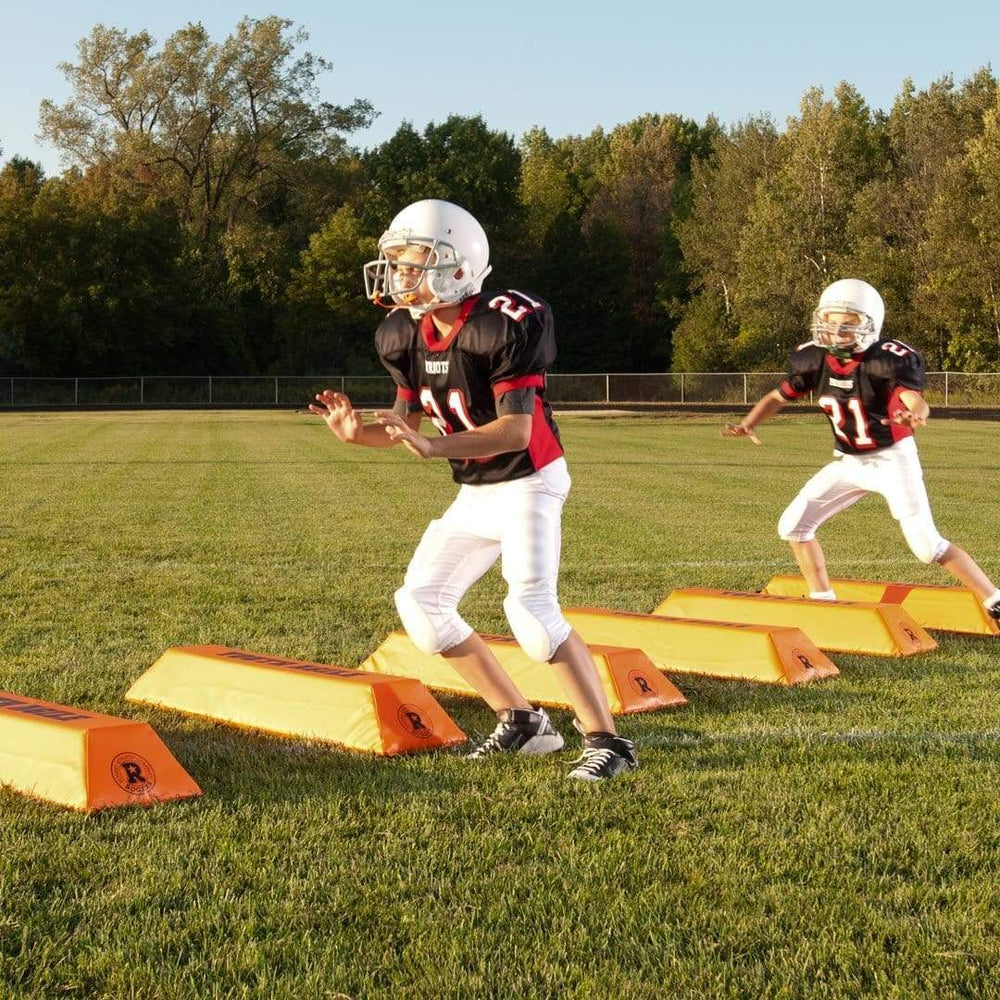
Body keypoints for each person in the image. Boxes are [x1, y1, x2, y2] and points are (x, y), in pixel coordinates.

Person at [308, 198, 638, 781]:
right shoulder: (399, 333)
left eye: (412, 263)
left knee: (531, 611)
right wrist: (358, 436)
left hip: (529, 480)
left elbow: (516, 429)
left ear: (457, 266)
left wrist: (436, 447)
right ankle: (522, 721)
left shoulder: (503, 322)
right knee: (422, 603)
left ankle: (608, 741)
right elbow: (404, 424)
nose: (398, 276)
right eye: (396, 263)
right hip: (477, 488)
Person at [723, 278, 1000, 619]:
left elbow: (913, 400)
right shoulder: (813, 360)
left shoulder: (885, 361)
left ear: (869, 324)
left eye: (849, 322)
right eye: (831, 319)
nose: (837, 329)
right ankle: (823, 601)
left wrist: (914, 413)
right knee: (794, 526)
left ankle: (994, 600)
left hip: (892, 460)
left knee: (928, 547)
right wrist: (750, 422)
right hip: (848, 462)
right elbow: (778, 396)